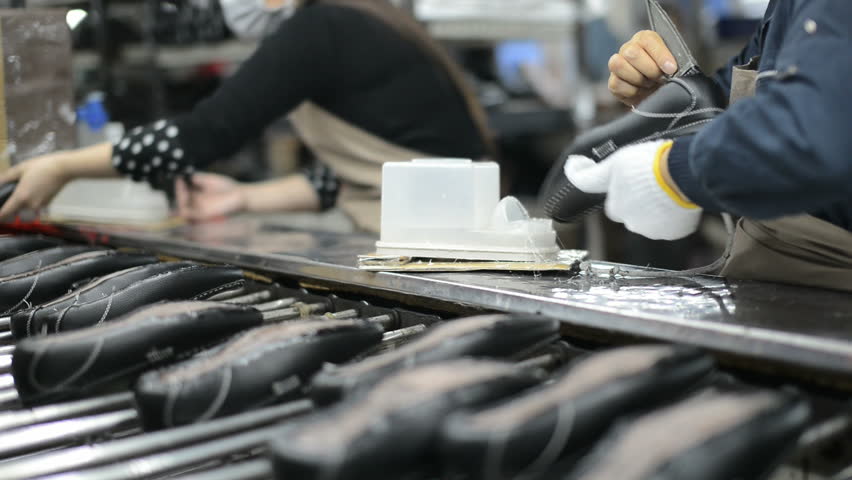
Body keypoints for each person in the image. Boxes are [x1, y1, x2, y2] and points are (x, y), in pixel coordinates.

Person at [0, 0, 495, 233]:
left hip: (447, 251)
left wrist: (62, 166)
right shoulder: (357, 18)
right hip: (432, 229)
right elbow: (368, 176)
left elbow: (202, 136)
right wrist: (242, 197)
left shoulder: (321, 28)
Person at [562, 0, 852, 291]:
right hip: (779, 289)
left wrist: (670, 171)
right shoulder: (782, 11)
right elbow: (728, 108)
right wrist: (670, 104)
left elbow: (812, 140)